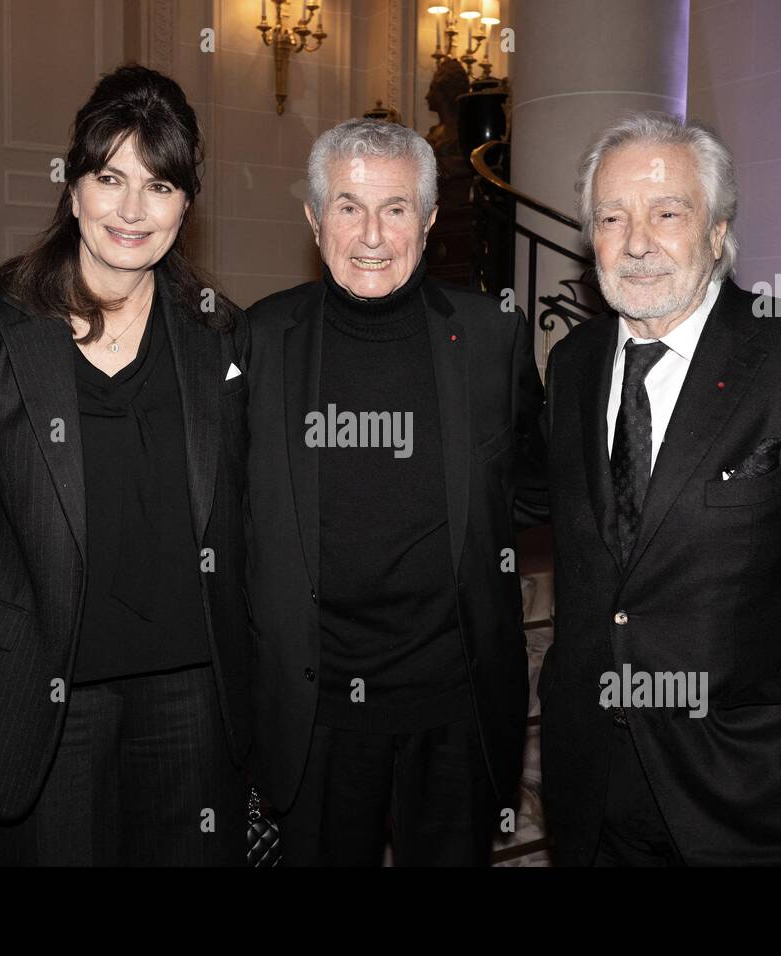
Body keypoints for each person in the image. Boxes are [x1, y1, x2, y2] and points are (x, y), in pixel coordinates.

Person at [0, 64, 251, 866]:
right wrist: (19, 574)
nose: (133, 210)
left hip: (190, 697)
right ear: (73, 186)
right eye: (110, 177)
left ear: (187, 203)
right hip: (39, 693)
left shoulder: (220, 337)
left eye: (161, 185)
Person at [537, 111, 781, 865]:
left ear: (718, 231)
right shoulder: (574, 365)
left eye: (667, 212)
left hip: (750, 786)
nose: (636, 242)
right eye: (611, 217)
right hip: (592, 776)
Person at [243, 118, 544, 865]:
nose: (372, 233)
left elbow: (534, 486)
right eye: (348, 206)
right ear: (315, 221)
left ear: (432, 220)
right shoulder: (259, 339)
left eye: (396, 207)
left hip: (455, 704)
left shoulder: (491, 337)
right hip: (315, 711)